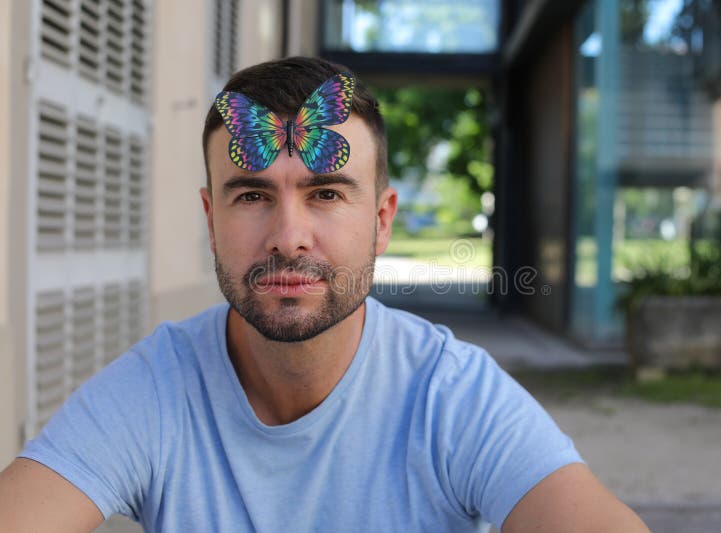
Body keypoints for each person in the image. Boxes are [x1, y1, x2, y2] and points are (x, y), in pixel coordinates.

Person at [0, 56, 650, 532]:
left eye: (326, 193)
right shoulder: (159, 388)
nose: (289, 236)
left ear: (382, 219)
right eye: (252, 194)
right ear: (210, 219)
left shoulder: (448, 394)